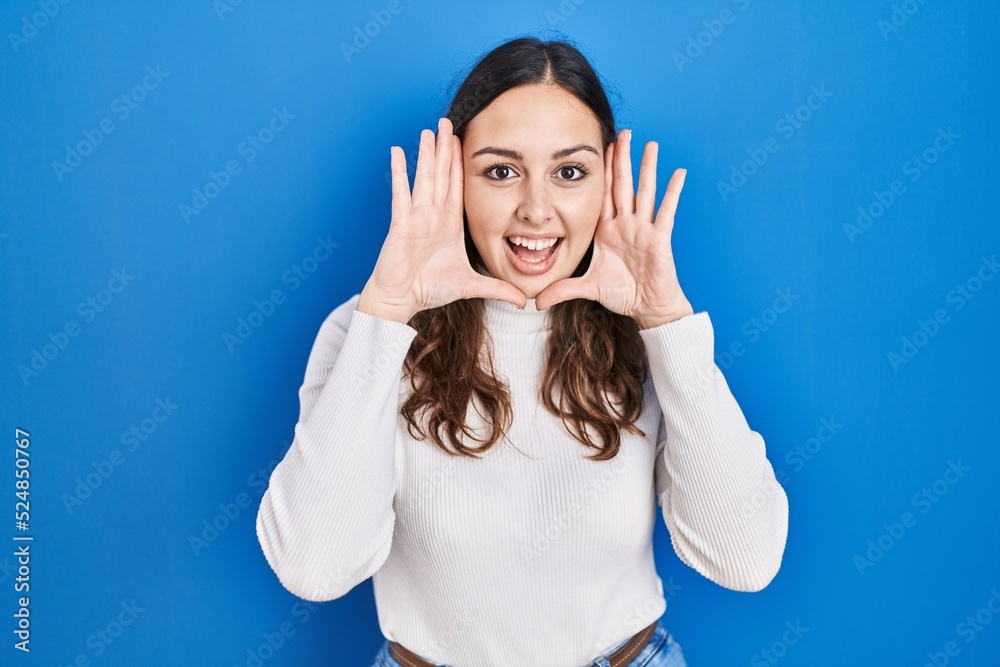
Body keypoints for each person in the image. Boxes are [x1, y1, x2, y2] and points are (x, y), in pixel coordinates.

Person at [255, 36, 789, 667]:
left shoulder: (647, 335)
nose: (536, 210)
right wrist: (389, 309)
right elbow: (314, 568)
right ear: (454, 180)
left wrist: (666, 321)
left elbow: (746, 559)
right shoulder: (366, 329)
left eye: (569, 172)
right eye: (501, 171)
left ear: (605, 183)